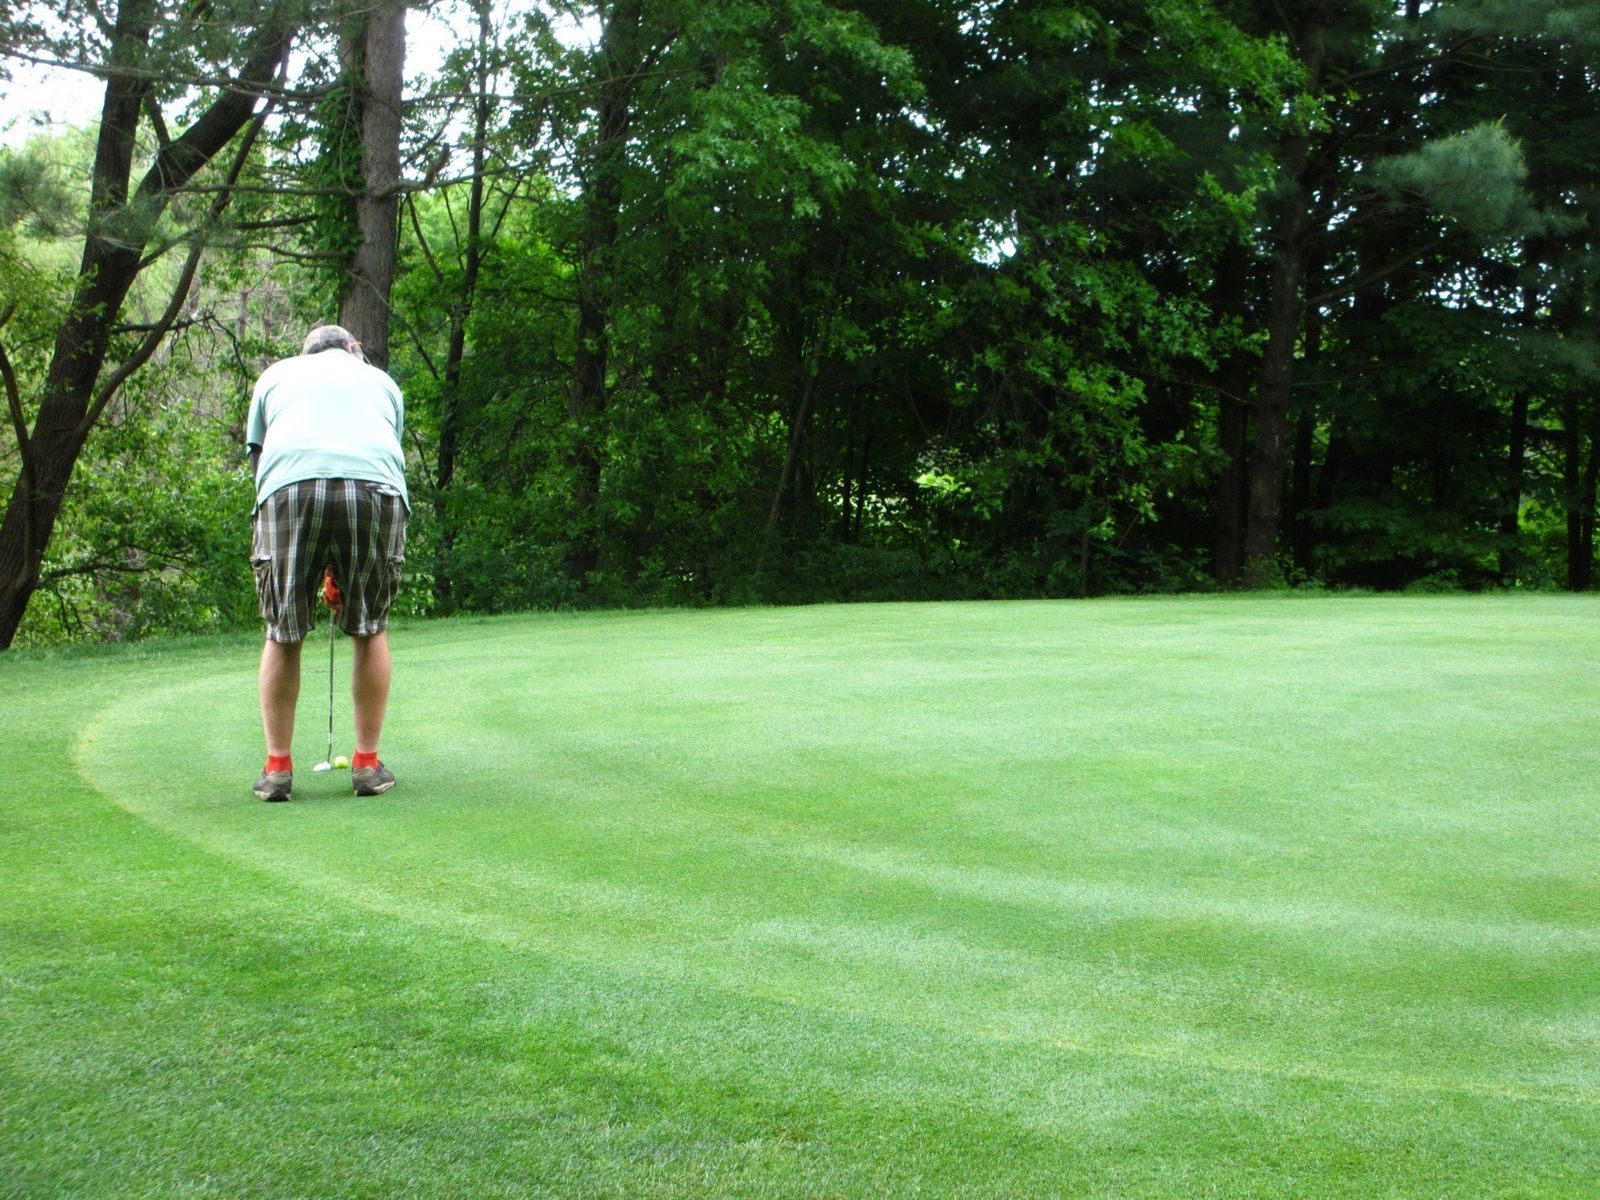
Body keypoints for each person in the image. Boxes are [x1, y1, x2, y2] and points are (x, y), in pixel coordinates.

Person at [246, 324, 409, 801]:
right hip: (375, 488)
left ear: (306, 353)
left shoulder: (276, 376)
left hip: (287, 488)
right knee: (370, 625)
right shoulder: (380, 381)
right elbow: (384, 453)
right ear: (354, 350)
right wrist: (342, 570)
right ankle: (366, 765)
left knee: (283, 629)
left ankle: (277, 771)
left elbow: (259, 463)